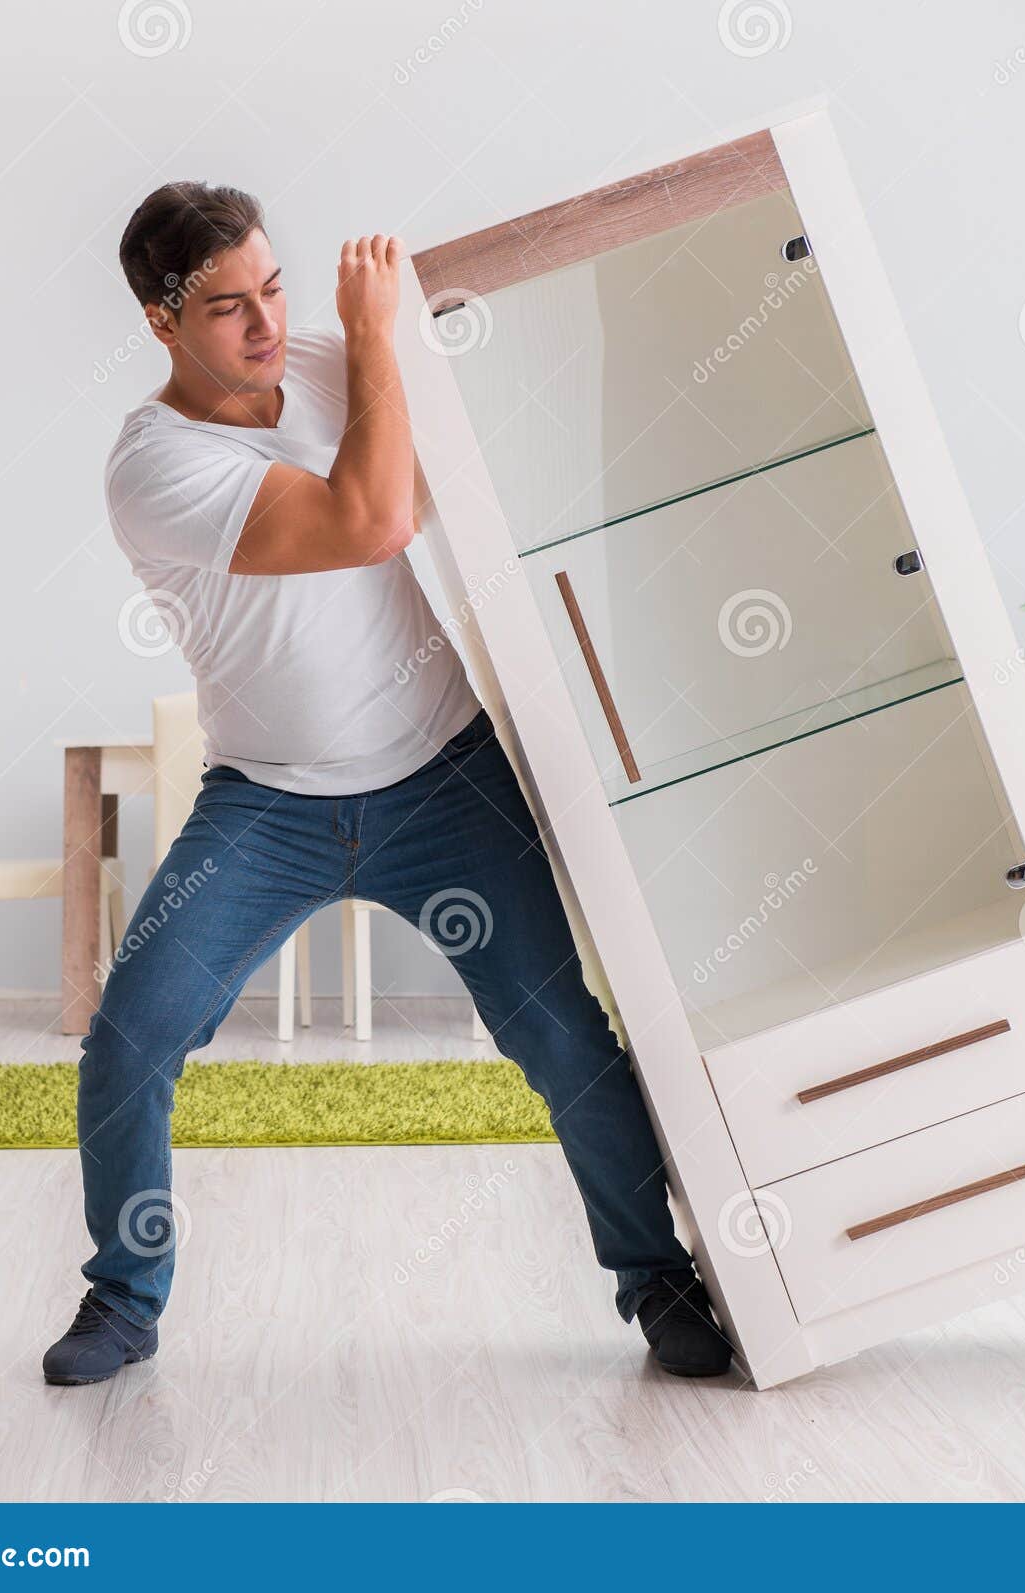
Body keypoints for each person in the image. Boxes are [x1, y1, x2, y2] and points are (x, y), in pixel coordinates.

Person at [42, 181, 731, 1385]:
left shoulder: (324, 364)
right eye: (224, 309)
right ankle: (124, 1302)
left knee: (561, 1036)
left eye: (273, 289)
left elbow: (415, 473)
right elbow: (369, 521)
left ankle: (657, 1279)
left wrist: (374, 355)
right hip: (267, 805)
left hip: (442, 774)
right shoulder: (153, 465)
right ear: (160, 323)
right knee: (131, 1036)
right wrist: (368, 348)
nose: (263, 326)